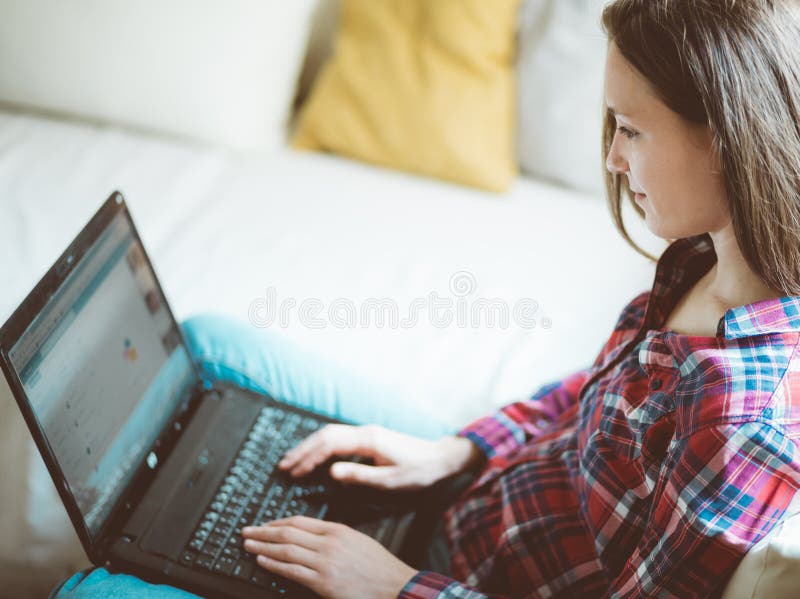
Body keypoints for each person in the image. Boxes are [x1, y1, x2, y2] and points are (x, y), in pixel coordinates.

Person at [52, 0, 800, 597]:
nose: (612, 157)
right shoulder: (698, 258)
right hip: (469, 496)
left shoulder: (742, 423)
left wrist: (393, 586)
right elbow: (593, 394)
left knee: (92, 591)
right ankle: (163, 523)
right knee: (210, 341)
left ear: (726, 137)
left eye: (631, 130)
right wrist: (454, 452)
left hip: (443, 579)